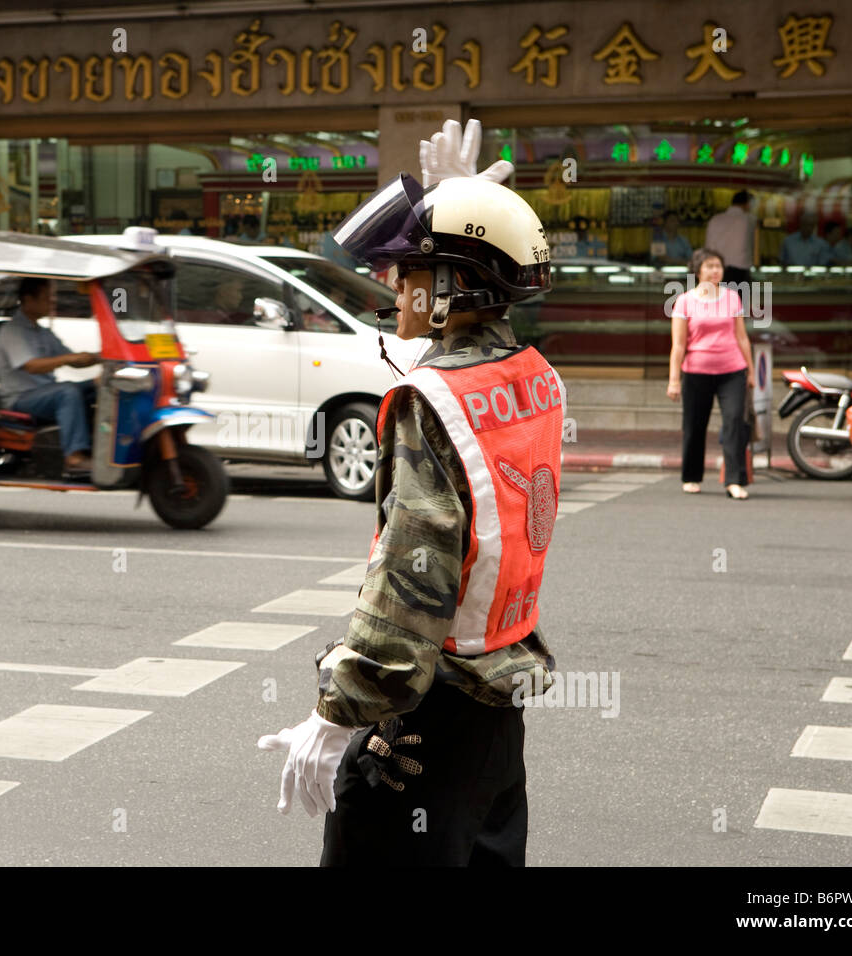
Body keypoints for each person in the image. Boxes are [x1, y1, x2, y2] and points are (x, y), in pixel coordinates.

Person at [258, 118, 562, 866]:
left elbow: (412, 588)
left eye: (411, 272)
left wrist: (337, 717)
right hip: (498, 717)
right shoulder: (534, 377)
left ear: (452, 285)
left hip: (424, 723)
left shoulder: (431, 403)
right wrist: (463, 215)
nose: (393, 286)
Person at [667, 248, 755, 499]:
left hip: (732, 370)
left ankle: (734, 481)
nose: (715, 270)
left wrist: (749, 371)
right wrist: (674, 380)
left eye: (718, 266)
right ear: (697, 271)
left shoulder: (732, 298)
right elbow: (679, 345)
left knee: (734, 422)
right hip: (696, 372)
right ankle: (691, 476)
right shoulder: (684, 301)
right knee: (694, 426)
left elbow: (742, 337)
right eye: (710, 266)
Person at [0, 277, 100, 471]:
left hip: (46, 392)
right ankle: (74, 457)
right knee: (67, 392)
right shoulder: (12, 331)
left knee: (99, 386)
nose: (52, 302)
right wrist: (68, 360)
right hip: (21, 399)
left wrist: (103, 357)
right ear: (28, 299)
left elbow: (72, 358)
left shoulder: (43, 333)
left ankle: (99, 448)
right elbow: (32, 366)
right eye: (47, 297)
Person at [704, 190, 757, 286]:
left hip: (717, 271)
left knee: (718, 300)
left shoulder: (715, 219)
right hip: (740, 273)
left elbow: (708, 248)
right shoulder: (749, 220)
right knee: (738, 300)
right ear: (748, 204)